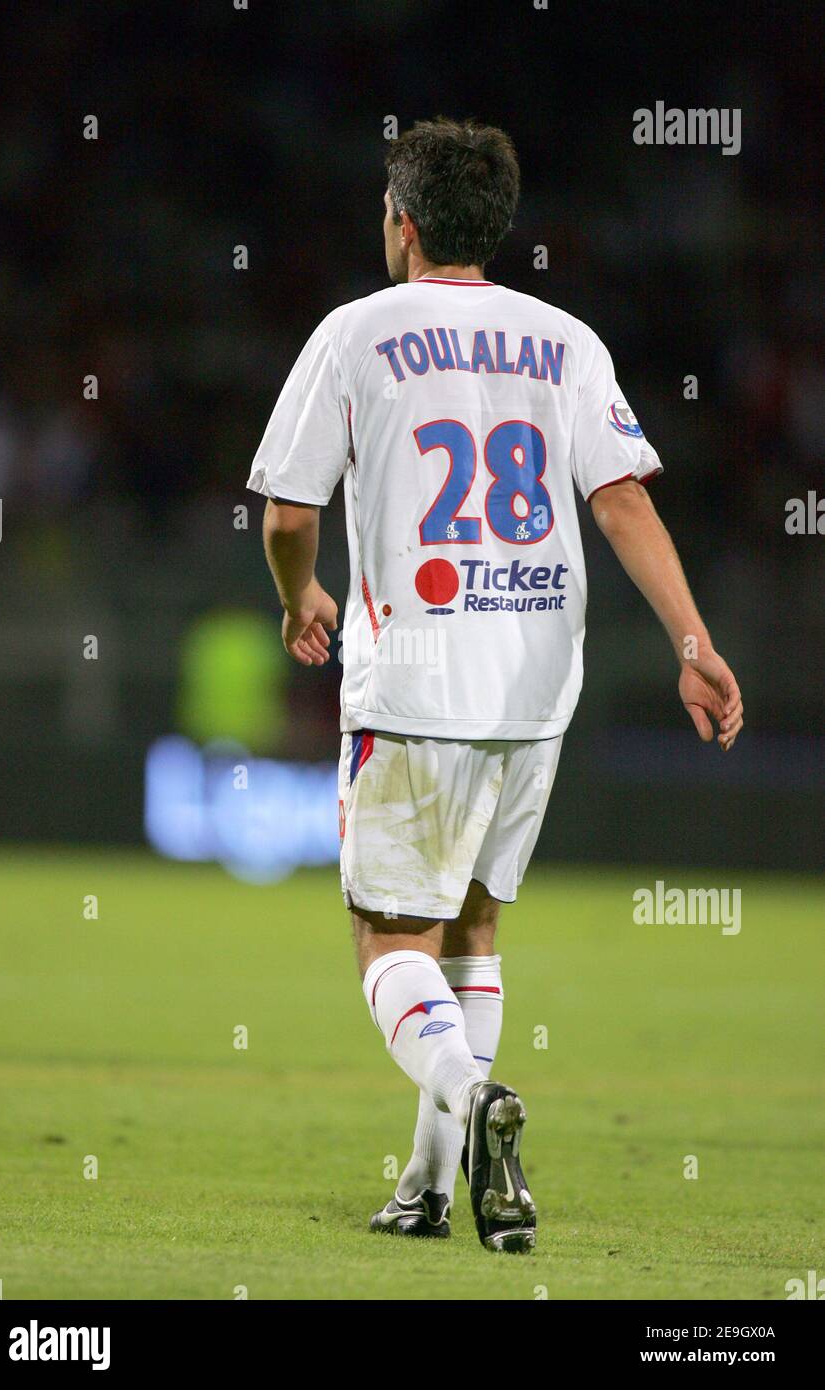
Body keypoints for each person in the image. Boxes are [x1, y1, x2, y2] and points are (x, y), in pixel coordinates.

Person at [247, 118, 743, 1253]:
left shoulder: (356, 331)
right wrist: (690, 641)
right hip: (531, 686)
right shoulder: (565, 339)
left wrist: (299, 595)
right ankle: (427, 1188)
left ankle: (476, 1105)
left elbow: (285, 512)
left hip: (414, 682)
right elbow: (619, 499)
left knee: (389, 944)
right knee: (472, 932)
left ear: (403, 225)